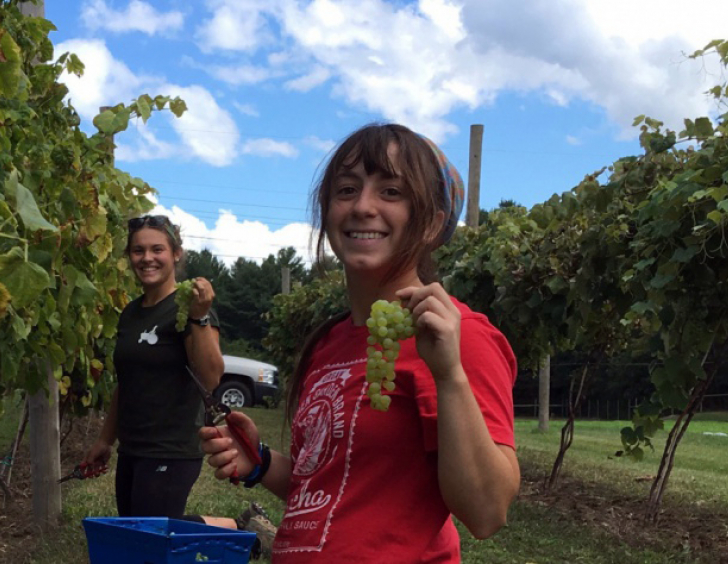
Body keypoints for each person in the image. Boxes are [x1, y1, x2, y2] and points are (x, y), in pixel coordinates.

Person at [199, 123, 520, 563]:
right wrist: (260, 462)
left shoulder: (456, 335)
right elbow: (332, 490)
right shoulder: (329, 341)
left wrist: (449, 375)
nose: (363, 206)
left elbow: (487, 513)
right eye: (347, 189)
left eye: (391, 192)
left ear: (432, 224)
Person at [83, 214, 224, 519]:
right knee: (137, 535)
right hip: (132, 450)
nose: (147, 258)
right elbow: (127, 382)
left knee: (148, 541)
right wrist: (106, 440)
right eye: (138, 250)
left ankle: (237, 528)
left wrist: (199, 317)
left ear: (176, 254)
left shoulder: (189, 307)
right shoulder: (131, 313)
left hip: (171, 450)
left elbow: (211, 378)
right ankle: (236, 525)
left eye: (157, 249)